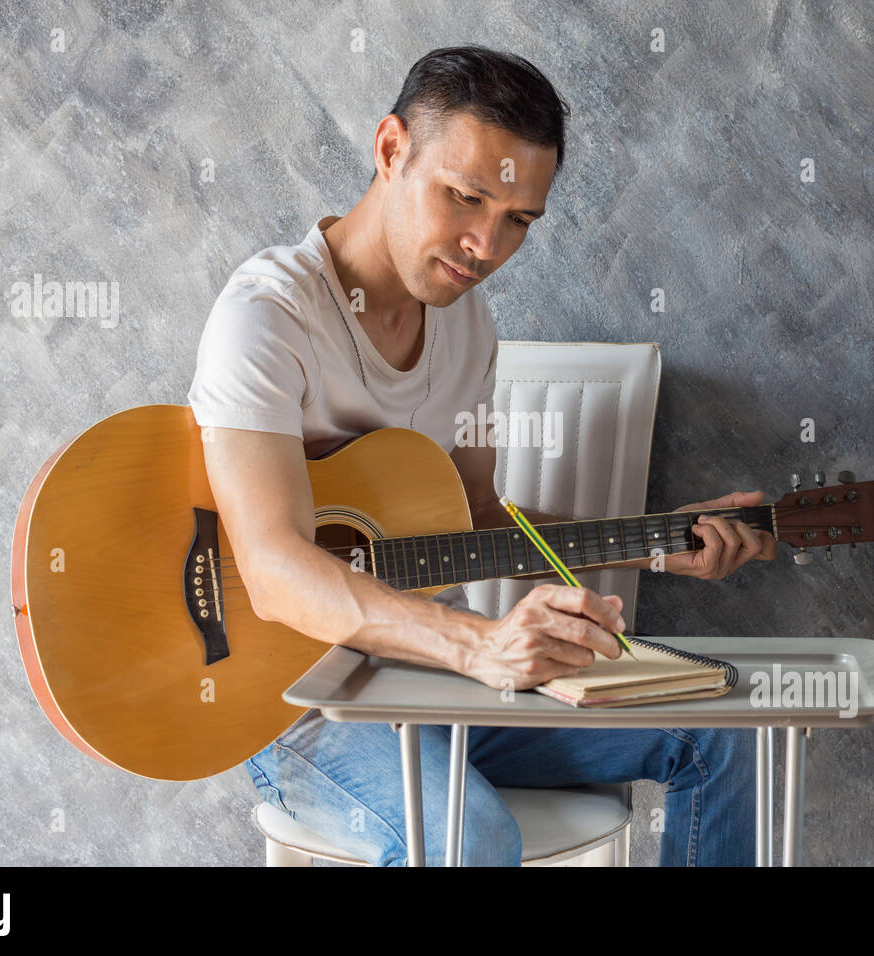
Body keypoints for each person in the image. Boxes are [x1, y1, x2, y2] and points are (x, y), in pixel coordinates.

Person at [187, 45, 776, 866]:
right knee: (473, 835)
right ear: (391, 150)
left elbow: (480, 522)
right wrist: (477, 645)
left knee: (721, 731)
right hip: (291, 704)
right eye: (465, 197)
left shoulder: (467, 328)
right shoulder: (270, 316)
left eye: (518, 220)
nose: (485, 245)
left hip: (424, 670)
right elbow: (274, 565)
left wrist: (654, 543)